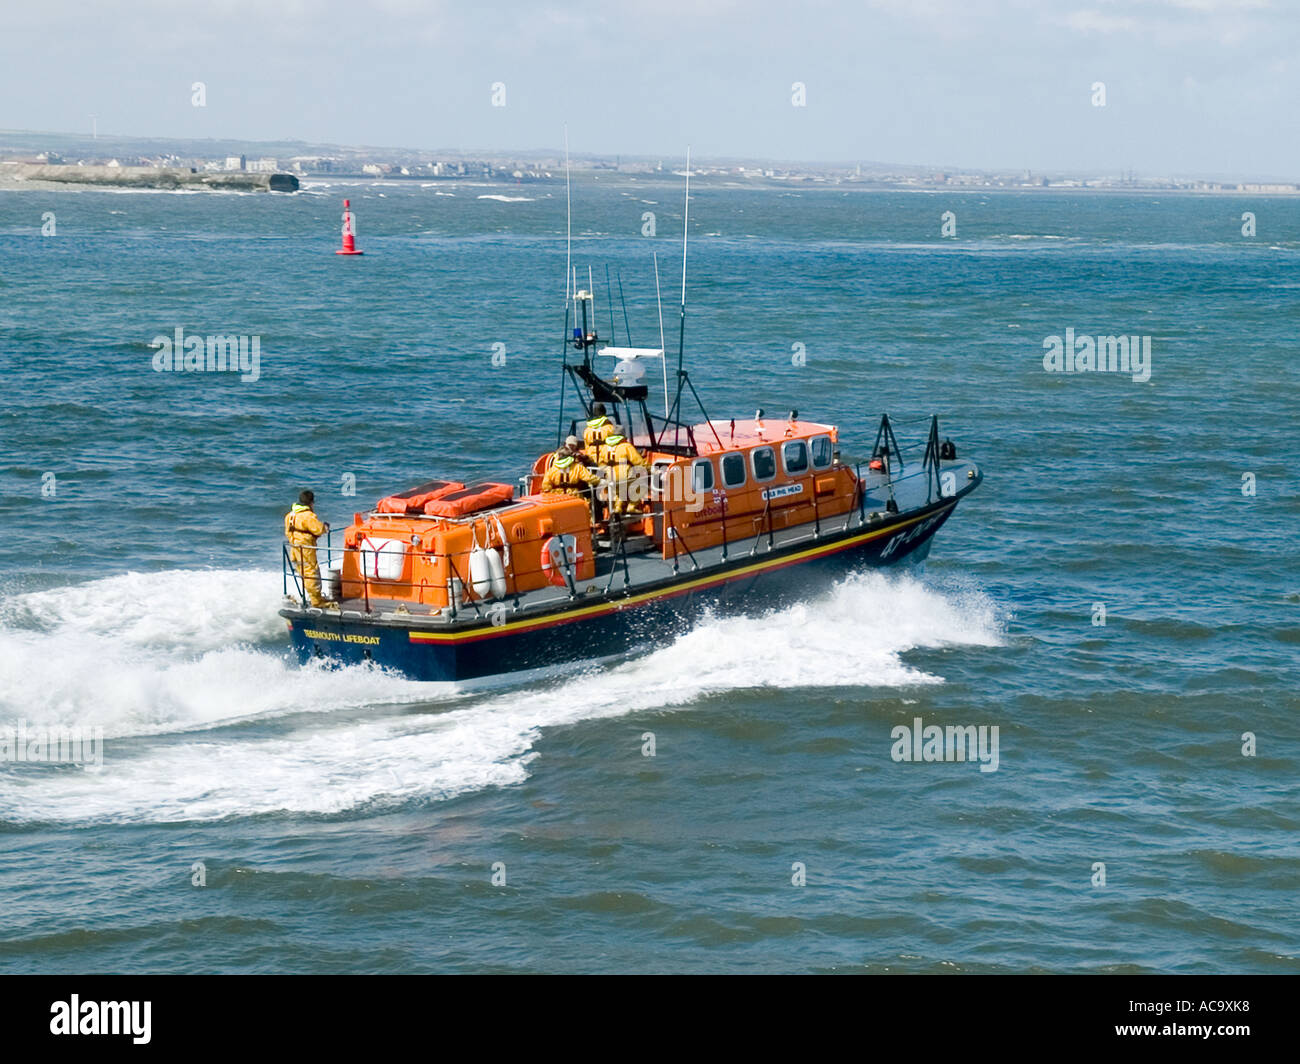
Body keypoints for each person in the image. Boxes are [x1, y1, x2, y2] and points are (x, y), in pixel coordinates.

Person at [284, 490, 335, 608]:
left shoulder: (290, 516)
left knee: (303, 572)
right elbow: (318, 529)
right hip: (305, 549)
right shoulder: (308, 516)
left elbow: (287, 532)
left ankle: (313, 597)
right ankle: (317, 601)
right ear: (311, 503)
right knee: (311, 572)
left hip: (294, 548)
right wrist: (325, 527)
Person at [595, 432, 648, 516]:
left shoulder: (604, 448)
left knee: (618, 491)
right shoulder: (626, 446)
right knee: (641, 485)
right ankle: (632, 506)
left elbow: (601, 464)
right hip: (623, 475)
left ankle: (618, 508)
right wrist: (651, 469)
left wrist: (606, 472)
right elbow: (638, 462)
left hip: (610, 477)